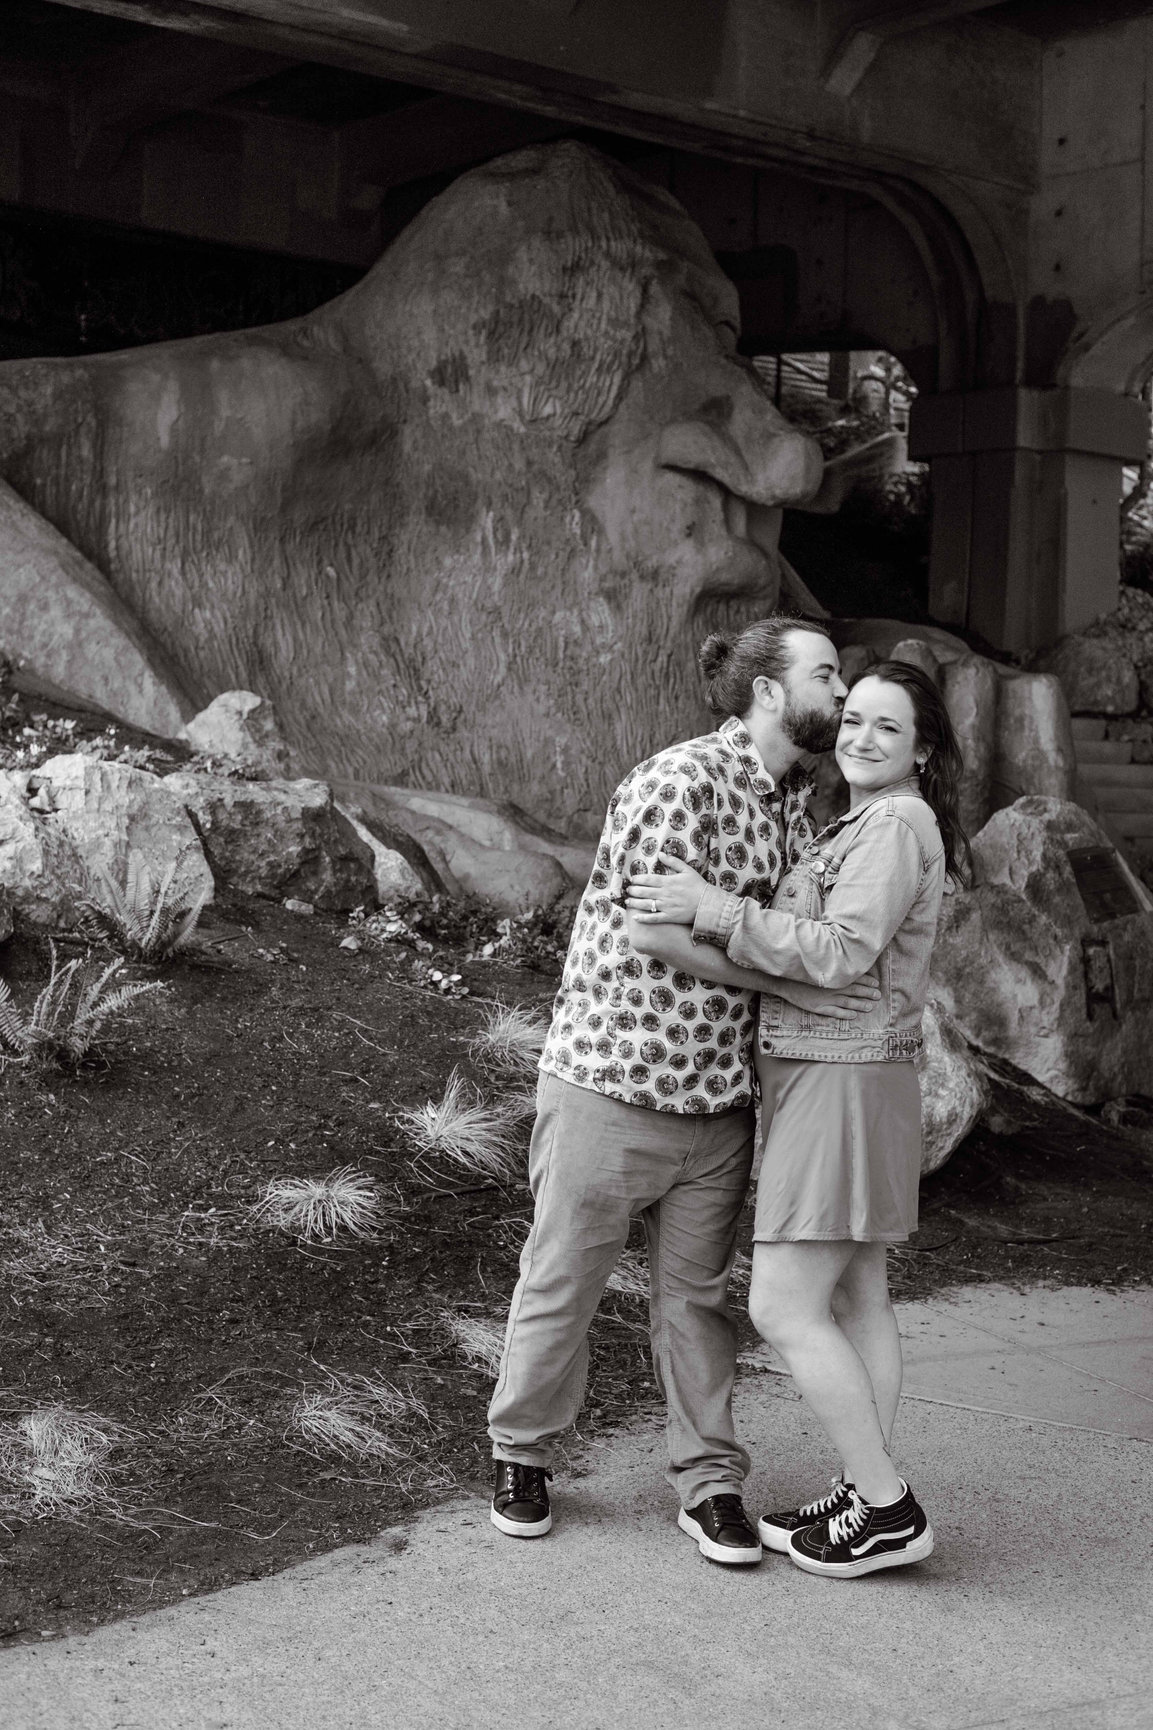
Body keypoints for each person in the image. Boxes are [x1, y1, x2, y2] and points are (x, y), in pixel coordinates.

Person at [486, 615, 886, 1565]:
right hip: (610, 1085)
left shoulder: (799, 805)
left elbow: (747, 927)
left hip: (720, 1106)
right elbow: (651, 933)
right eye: (825, 677)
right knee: (563, 1282)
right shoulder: (679, 781)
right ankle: (521, 1454)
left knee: (696, 1306)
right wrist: (793, 980)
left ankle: (709, 1484)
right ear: (765, 691)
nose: (840, 695)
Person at [626, 658, 970, 1578]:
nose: (859, 737)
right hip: (844, 1075)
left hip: (842, 1080)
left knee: (781, 1304)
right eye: (852, 719)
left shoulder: (895, 824)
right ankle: (865, 1491)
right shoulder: (865, 821)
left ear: (922, 750)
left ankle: (887, 1507)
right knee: (858, 1295)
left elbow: (838, 952)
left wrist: (711, 908)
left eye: (886, 728)